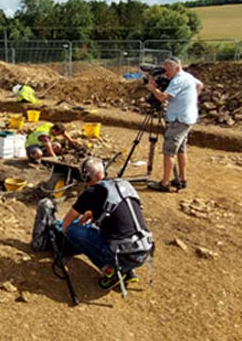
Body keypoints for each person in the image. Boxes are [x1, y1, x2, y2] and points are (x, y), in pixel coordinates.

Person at [60, 157, 153, 290]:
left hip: (123, 255)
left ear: (85, 176)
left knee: (73, 231)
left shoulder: (91, 192)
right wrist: (91, 214)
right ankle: (127, 270)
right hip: (143, 250)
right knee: (111, 231)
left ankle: (112, 271)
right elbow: (119, 211)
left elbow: (68, 222)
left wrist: (63, 236)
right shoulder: (123, 184)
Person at [146, 57, 204, 192]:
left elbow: (162, 97)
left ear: (177, 68)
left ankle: (165, 183)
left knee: (169, 152)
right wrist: (190, 99)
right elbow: (200, 85)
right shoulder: (188, 76)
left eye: (168, 70)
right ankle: (182, 179)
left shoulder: (178, 80)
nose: (166, 74)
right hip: (187, 118)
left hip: (179, 120)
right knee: (181, 149)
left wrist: (153, 88)